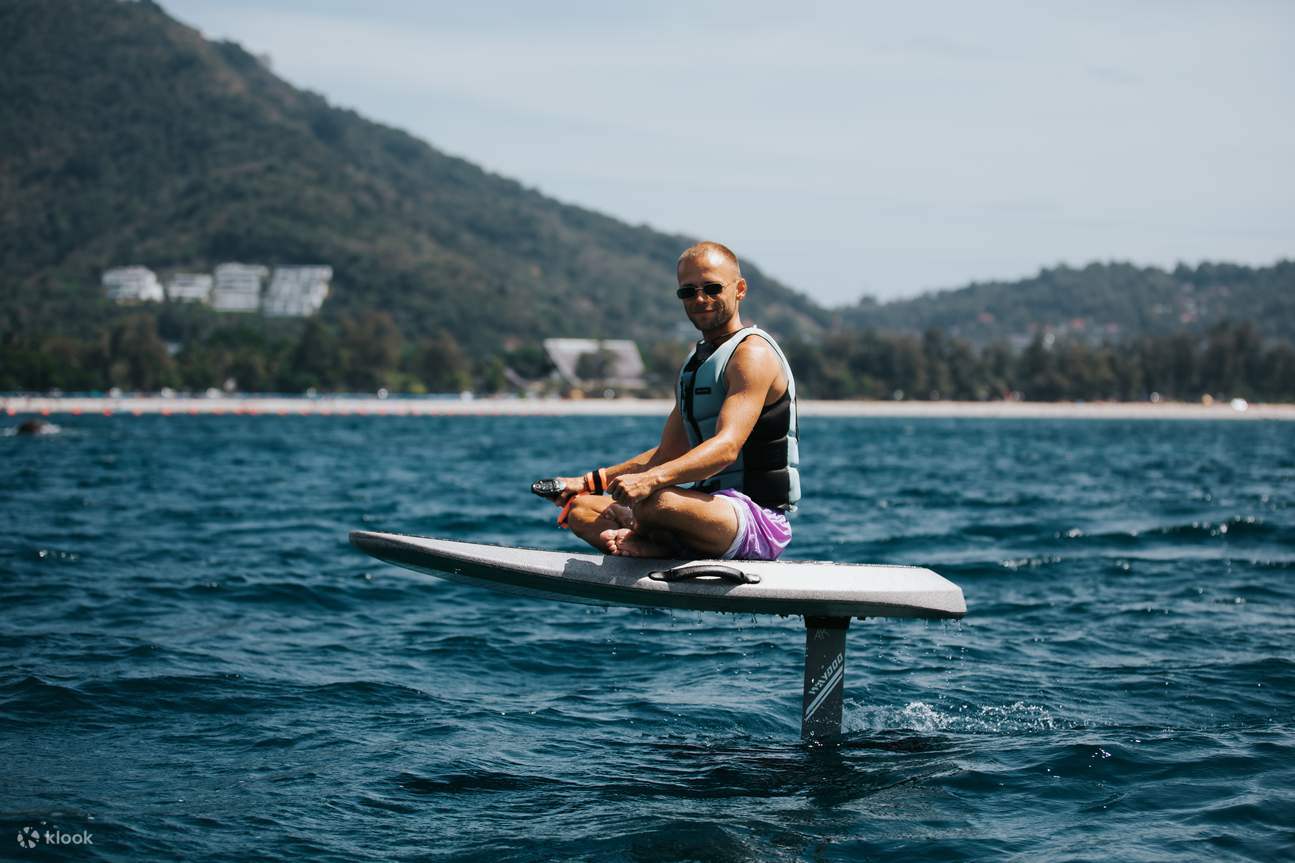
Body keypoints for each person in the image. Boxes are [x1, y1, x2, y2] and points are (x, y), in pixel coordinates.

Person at [551, 241, 800, 560]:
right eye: (688, 291)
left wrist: (649, 482)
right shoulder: (694, 366)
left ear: (739, 289)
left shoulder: (751, 354)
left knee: (655, 501)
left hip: (755, 523)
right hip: (700, 509)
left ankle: (651, 541)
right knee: (581, 509)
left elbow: (726, 448)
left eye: (712, 288)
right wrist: (587, 482)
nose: (700, 299)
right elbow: (667, 454)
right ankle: (652, 544)